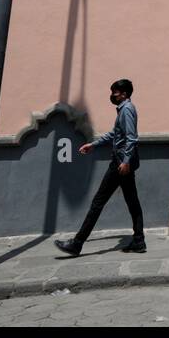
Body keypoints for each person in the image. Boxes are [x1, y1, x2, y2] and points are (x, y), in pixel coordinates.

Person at [54, 79, 145, 255]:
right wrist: (94, 145)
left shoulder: (126, 110)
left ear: (124, 94)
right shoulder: (124, 110)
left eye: (115, 92)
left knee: (98, 202)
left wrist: (125, 161)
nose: (112, 95)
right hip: (121, 162)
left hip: (120, 163)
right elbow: (115, 134)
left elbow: (132, 138)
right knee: (132, 202)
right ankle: (139, 241)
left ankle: (77, 243)